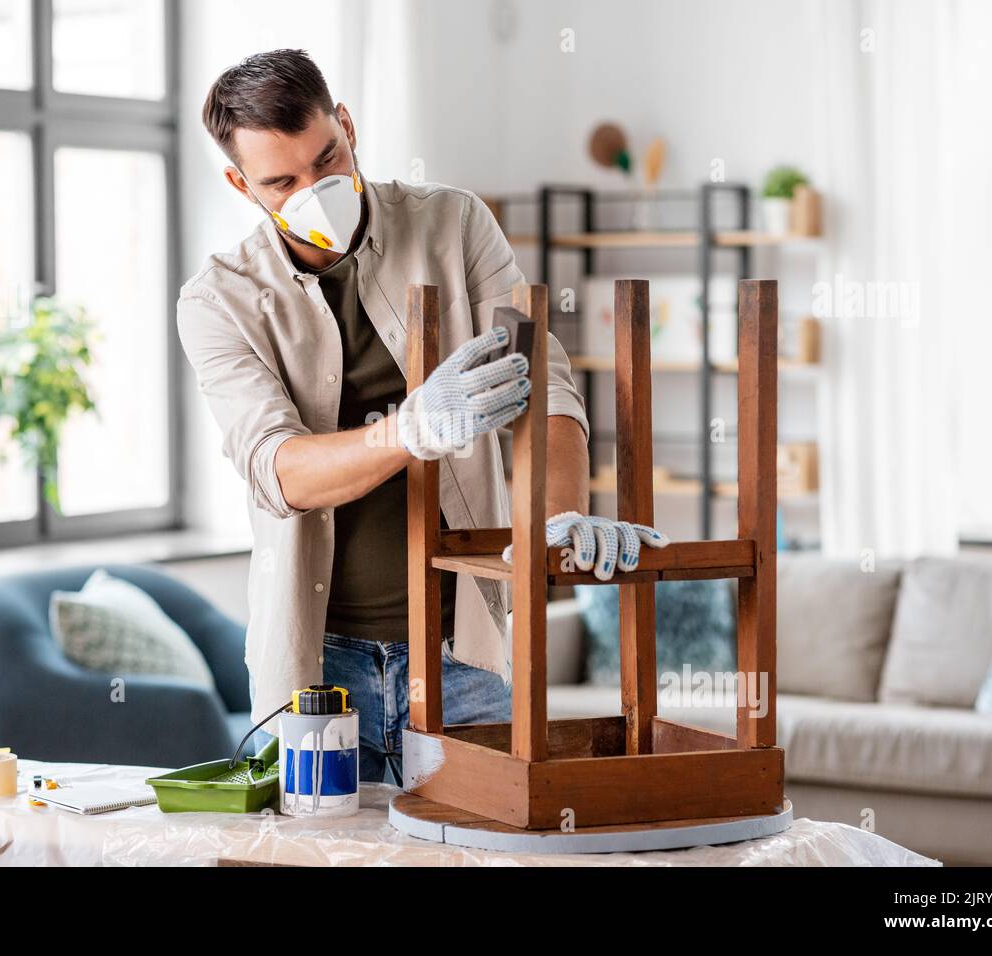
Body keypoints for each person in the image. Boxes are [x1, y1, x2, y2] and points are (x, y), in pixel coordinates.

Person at [177, 49, 667, 784]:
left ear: (346, 124)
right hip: (314, 673)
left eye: (328, 159)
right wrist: (406, 431)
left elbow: (546, 382)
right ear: (240, 184)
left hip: (460, 652)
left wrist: (558, 516)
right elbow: (277, 469)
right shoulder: (219, 300)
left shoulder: (455, 224)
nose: (316, 190)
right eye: (282, 182)